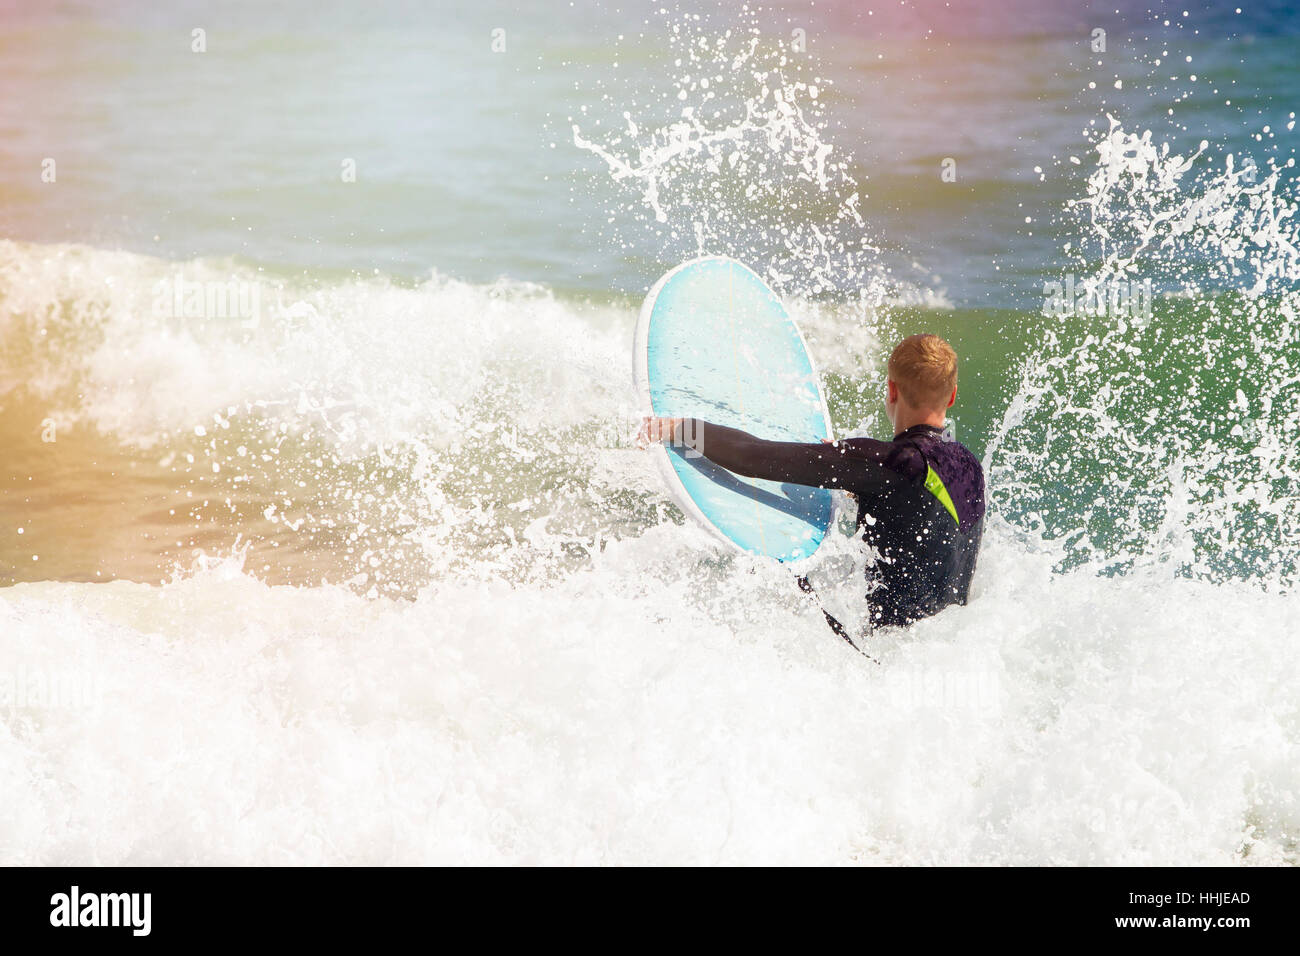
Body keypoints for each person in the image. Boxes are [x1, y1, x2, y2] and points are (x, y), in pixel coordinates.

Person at [639, 333, 985, 629]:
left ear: (891, 390)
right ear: (952, 396)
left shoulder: (886, 463)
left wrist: (680, 428)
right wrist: (862, 487)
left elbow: (753, 456)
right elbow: (930, 528)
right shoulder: (970, 467)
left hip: (886, 654)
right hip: (947, 647)